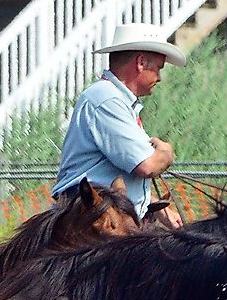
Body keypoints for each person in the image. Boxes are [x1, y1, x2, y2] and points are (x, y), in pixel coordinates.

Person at [52, 23, 185, 223]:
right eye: (158, 68)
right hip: (91, 221)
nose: (159, 77)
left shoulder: (113, 99)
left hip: (101, 215)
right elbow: (147, 166)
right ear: (141, 62)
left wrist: (154, 207)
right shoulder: (107, 99)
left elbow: (108, 172)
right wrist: (166, 153)